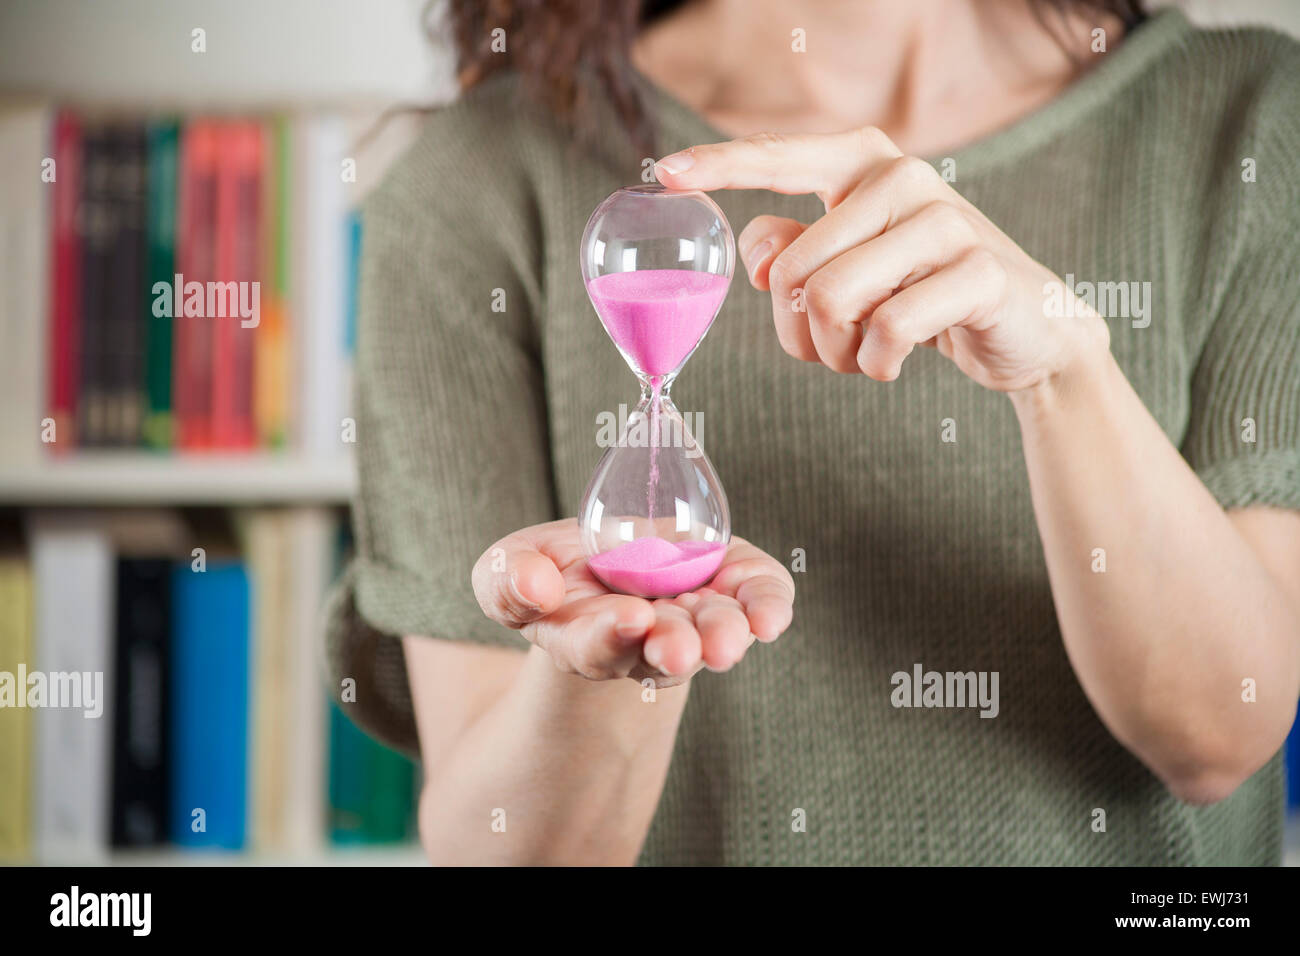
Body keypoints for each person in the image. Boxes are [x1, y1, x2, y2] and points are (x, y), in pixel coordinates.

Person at [325, 0, 1300, 865]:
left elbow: (1218, 737)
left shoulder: (1243, 116)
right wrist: (607, 662)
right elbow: (504, 852)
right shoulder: (483, 171)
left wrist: (1063, 373)